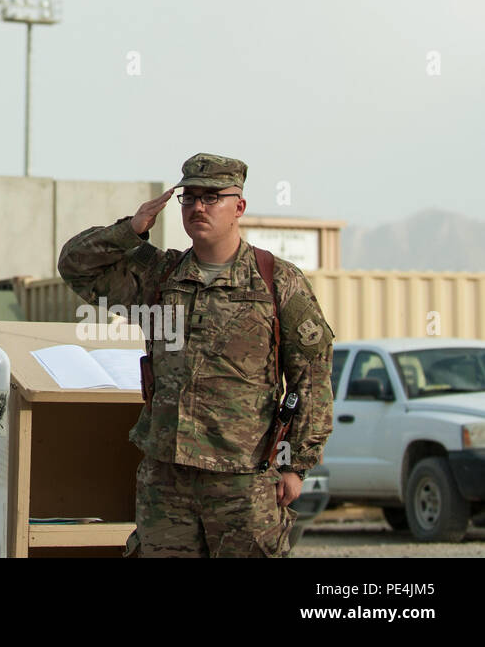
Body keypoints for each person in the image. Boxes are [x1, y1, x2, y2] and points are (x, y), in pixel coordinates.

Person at [57, 153, 334, 558]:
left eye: (212, 197)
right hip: (167, 480)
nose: (198, 208)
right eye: (189, 198)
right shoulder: (160, 276)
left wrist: (295, 464)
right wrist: (130, 230)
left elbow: (312, 374)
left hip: (244, 481)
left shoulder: (277, 280)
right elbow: (75, 266)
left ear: (238, 206)